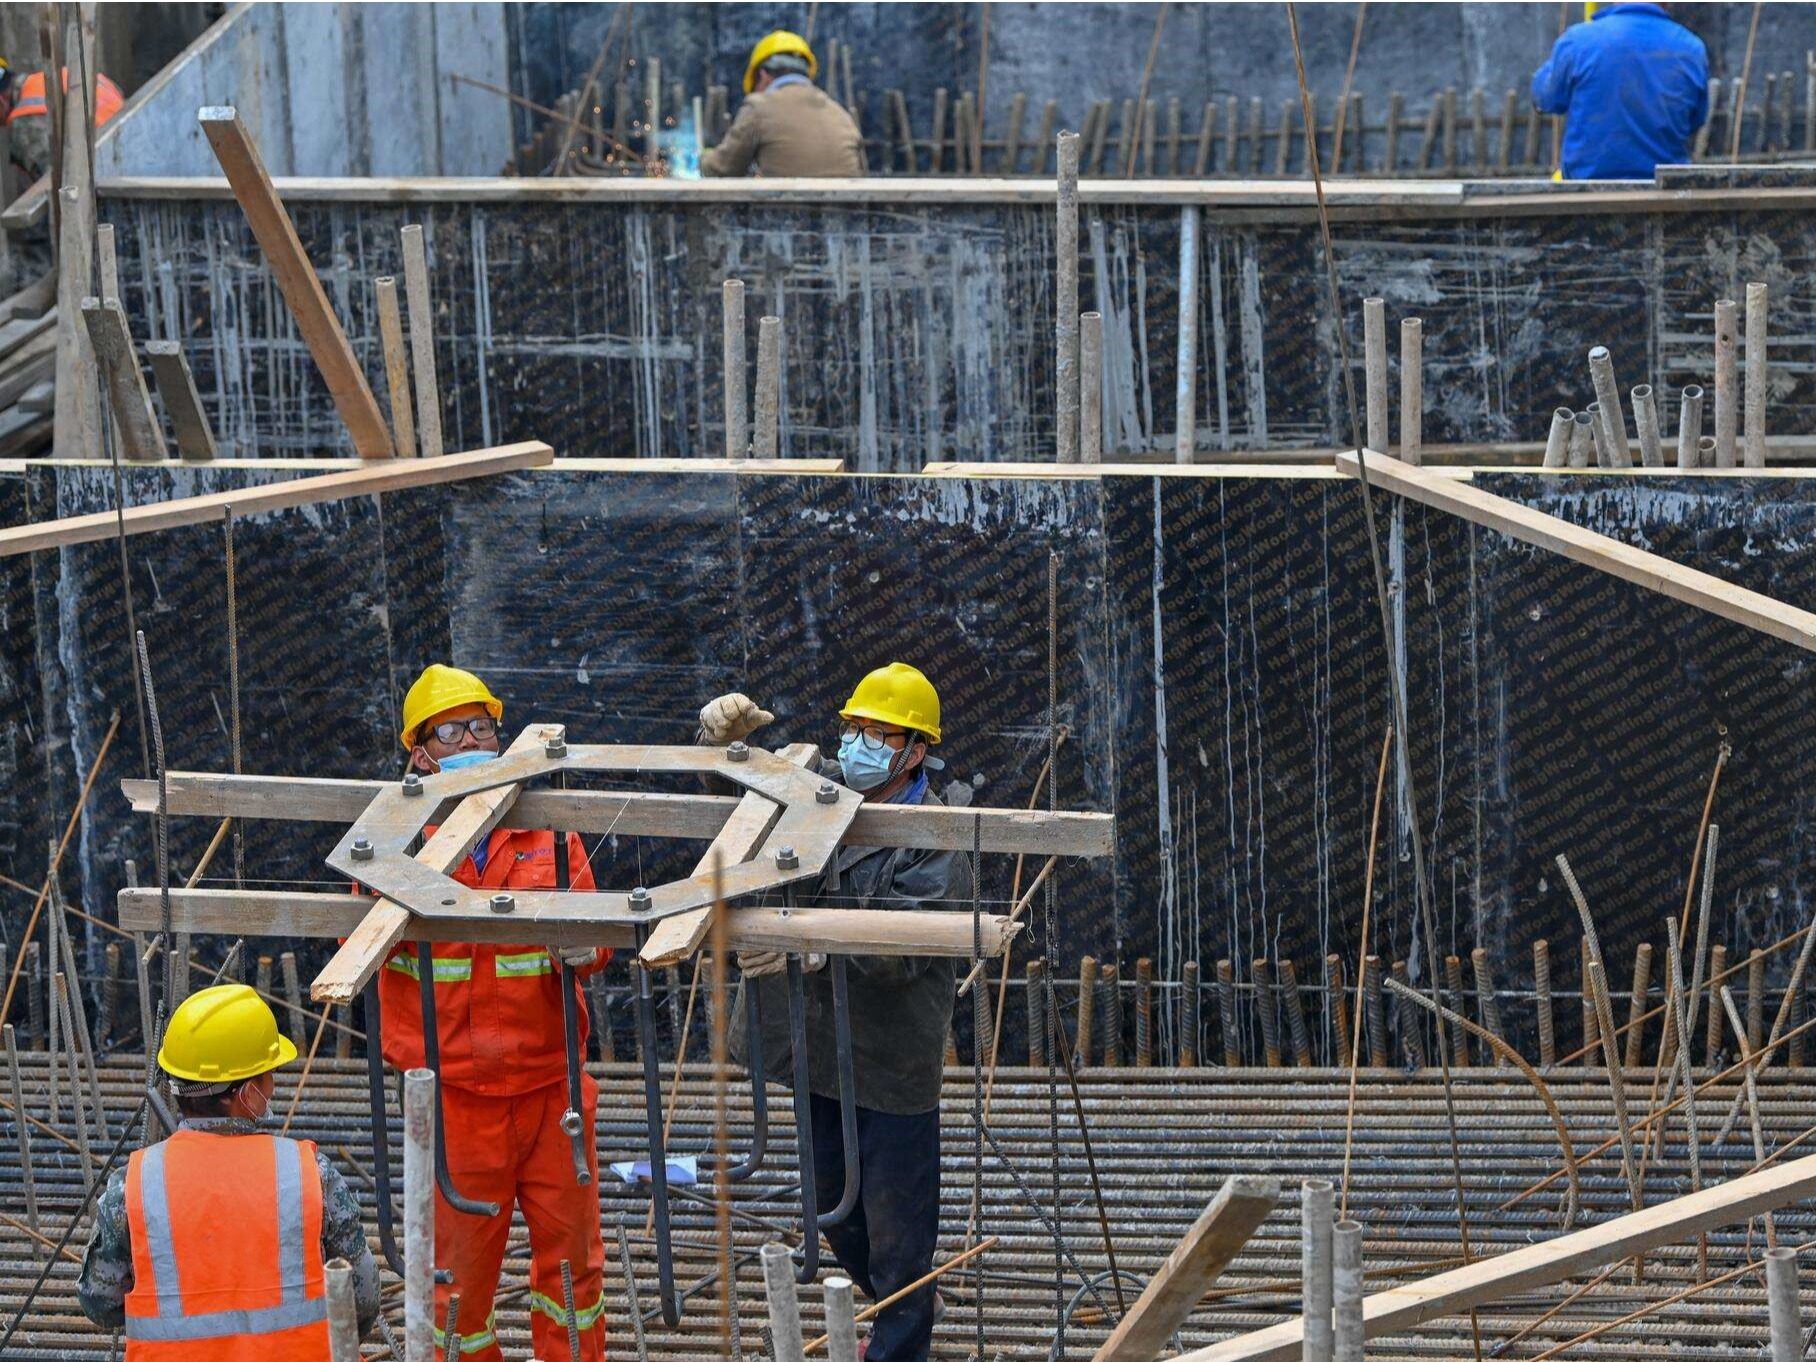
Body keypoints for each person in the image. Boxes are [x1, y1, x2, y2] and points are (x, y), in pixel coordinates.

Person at [699, 663, 968, 1362]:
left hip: (890, 1063)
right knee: (833, 1206)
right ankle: (898, 1300)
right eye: (854, 729)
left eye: (880, 735)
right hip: (817, 1049)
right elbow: (744, 802)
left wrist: (799, 948)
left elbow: (902, 952)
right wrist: (719, 749)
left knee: (898, 1233)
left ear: (915, 751)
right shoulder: (817, 793)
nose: (859, 746)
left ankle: (898, 1339)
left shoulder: (934, 835)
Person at [382, 663, 610, 1361]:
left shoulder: (550, 834)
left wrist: (585, 947)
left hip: (553, 1093)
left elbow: (597, 940)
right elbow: (362, 948)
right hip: (452, 1103)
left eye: (483, 727)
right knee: (456, 1287)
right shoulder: (392, 845)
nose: (474, 740)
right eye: (453, 731)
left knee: (574, 1275)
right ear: (420, 754)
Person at [77, 983, 381, 1352]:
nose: (272, 1087)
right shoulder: (309, 1175)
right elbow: (362, 1299)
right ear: (246, 1093)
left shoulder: (135, 1186)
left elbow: (99, 1301)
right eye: (269, 1075)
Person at [1531, 2, 1708, 180]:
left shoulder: (1579, 40)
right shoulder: (1691, 48)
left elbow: (1545, 99)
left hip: (1586, 192)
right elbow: (1696, 119)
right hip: (1664, 190)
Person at [701, 29, 864, 177]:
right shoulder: (840, 114)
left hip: (785, 209)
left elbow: (722, 169)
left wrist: (705, 156)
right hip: (848, 208)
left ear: (763, 75)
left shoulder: (758, 107)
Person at [0, 61, 126, 179]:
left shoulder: (23, 124)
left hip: (106, 170)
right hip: (129, 144)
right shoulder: (64, 74)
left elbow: (57, 182)